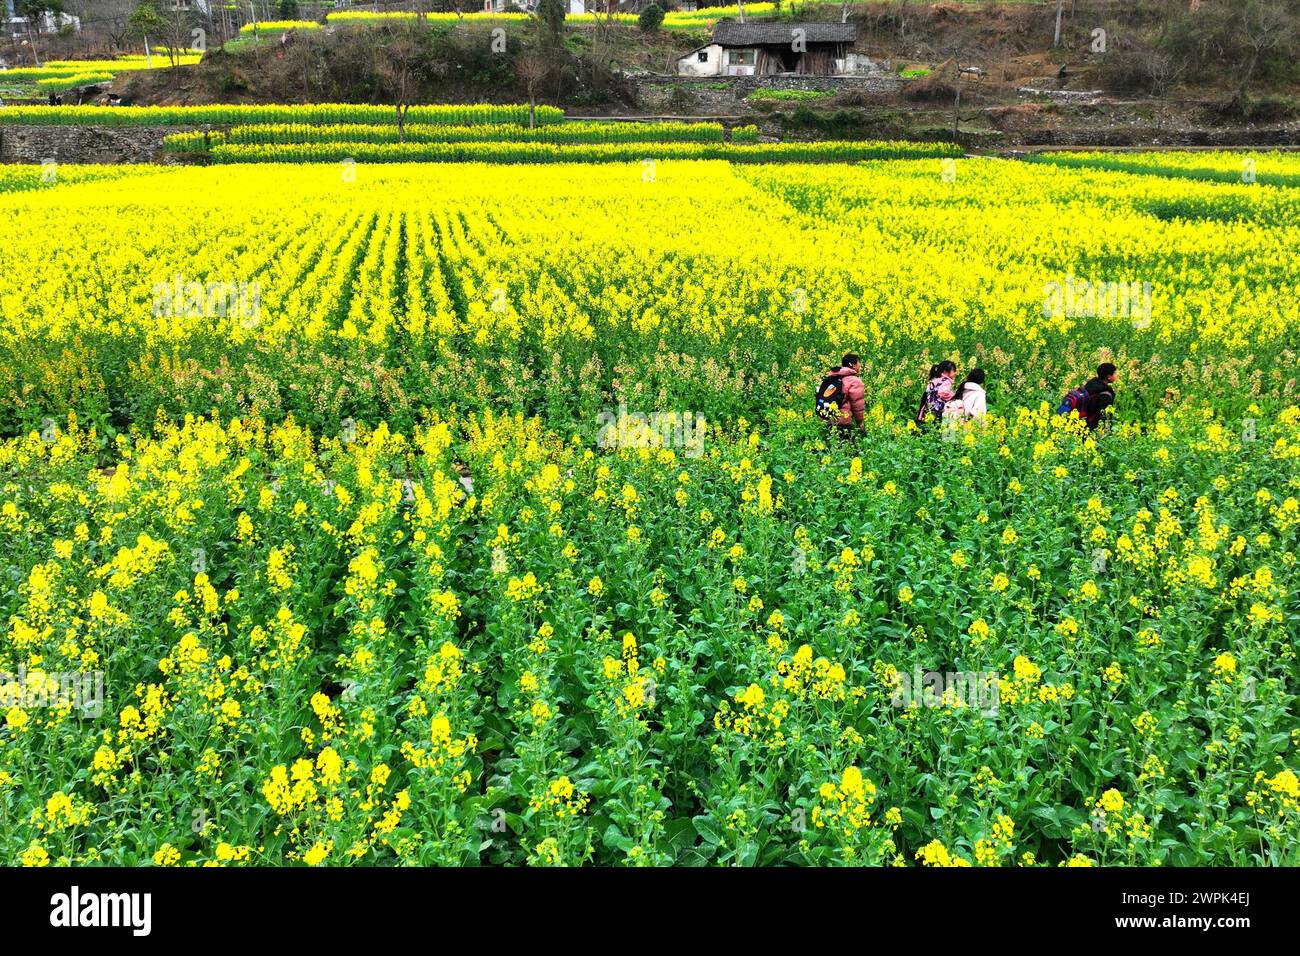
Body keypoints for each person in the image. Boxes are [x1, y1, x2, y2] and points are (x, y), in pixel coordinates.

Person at [815, 353, 867, 440]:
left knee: (830, 447)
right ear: (853, 365)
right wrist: (860, 421)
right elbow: (858, 404)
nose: (860, 366)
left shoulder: (831, 377)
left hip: (826, 417)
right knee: (848, 450)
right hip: (843, 421)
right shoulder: (855, 381)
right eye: (859, 364)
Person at [1058, 362, 1117, 431]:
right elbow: (1104, 416)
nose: (1117, 375)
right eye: (1115, 373)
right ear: (1109, 377)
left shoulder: (1091, 384)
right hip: (1090, 427)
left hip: (1080, 423)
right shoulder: (1105, 395)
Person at [916, 360, 957, 430]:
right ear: (945, 372)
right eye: (953, 371)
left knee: (928, 426)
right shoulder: (946, 381)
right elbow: (943, 392)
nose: (955, 373)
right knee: (937, 428)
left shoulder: (935, 379)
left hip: (929, 408)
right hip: (938, 410)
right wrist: (953, 397)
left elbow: (927, 393)